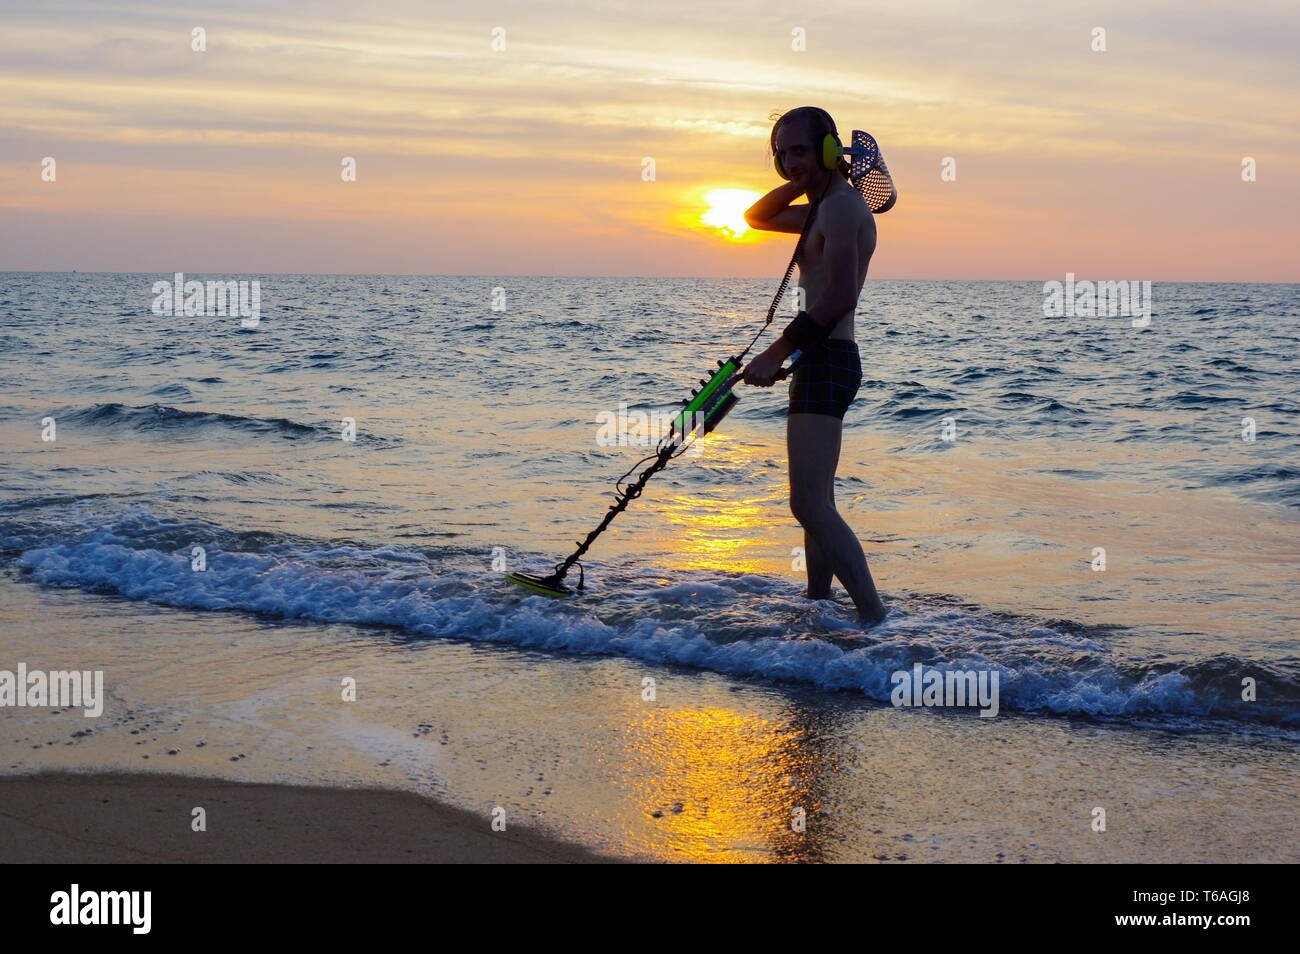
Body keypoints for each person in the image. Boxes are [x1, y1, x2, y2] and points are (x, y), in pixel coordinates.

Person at [741, 106, 888, 627]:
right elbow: (755, 218)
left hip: (828, 357)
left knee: (808, 505)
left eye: (799, 150)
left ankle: (874, 619)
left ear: (830, 149)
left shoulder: (843, 209)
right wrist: (802, 179)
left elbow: (842, 294)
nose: (786, 162)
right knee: (817, 500)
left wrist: (776, 351)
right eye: (780, 154)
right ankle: (818, 606)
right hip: (817, 356)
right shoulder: (821, 207)